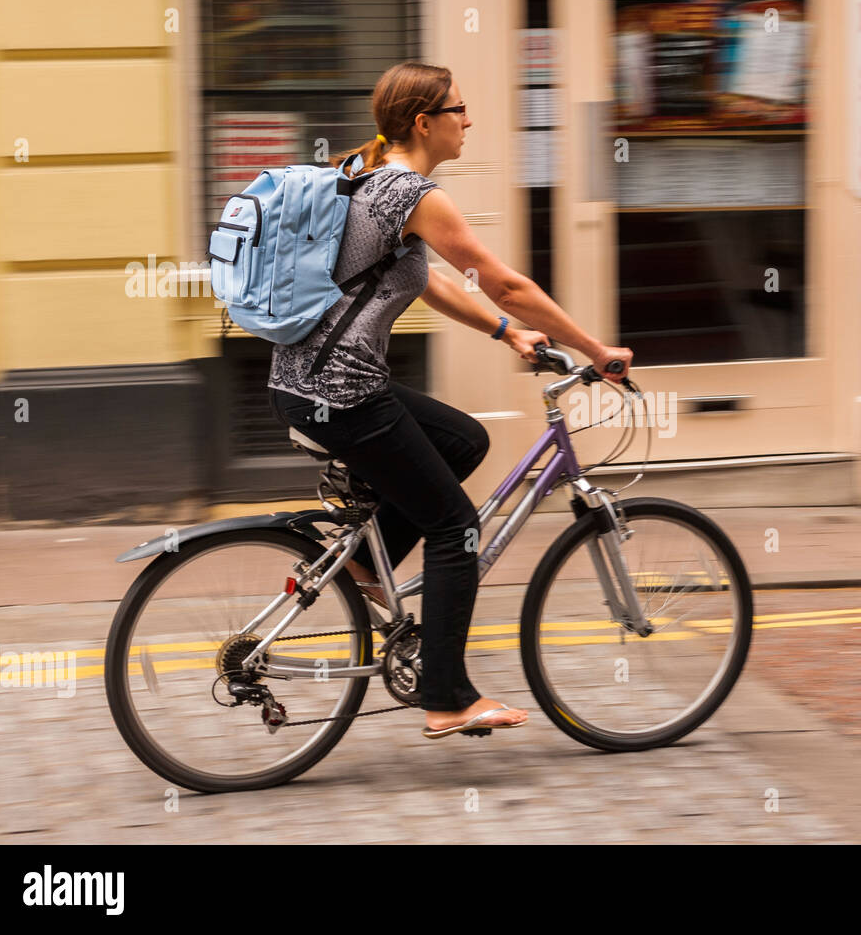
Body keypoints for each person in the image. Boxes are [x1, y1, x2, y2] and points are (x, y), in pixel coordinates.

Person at [268, 62, 633, 739]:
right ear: (423, 122)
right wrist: (593, 348)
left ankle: (358, 566)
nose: (470, 121)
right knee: (456, 528)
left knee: (465, 439)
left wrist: (507, 334)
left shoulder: (361, 172)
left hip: (306, 380)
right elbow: (504, 281)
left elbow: (424, 279)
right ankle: (447, 696)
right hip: (341, 391)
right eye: (459, 109)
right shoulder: (410, 191)